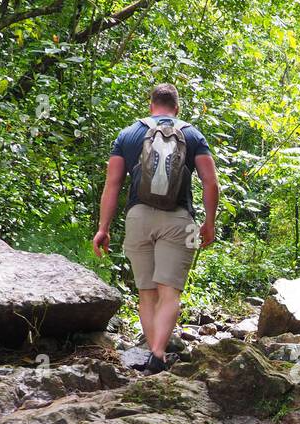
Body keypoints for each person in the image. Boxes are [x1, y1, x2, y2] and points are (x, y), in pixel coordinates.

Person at [92, 83, 219, 373]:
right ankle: (159, 352)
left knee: (146, 292)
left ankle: (154, 354)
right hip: (180, 220)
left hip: (137, 218)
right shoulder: (193, 134)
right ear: (177, 108)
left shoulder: (128, 134)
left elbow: (113, 184)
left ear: (151, 105)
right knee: (170, 292)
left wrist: (103, 227)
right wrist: (209, 222)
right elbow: (210, 182)